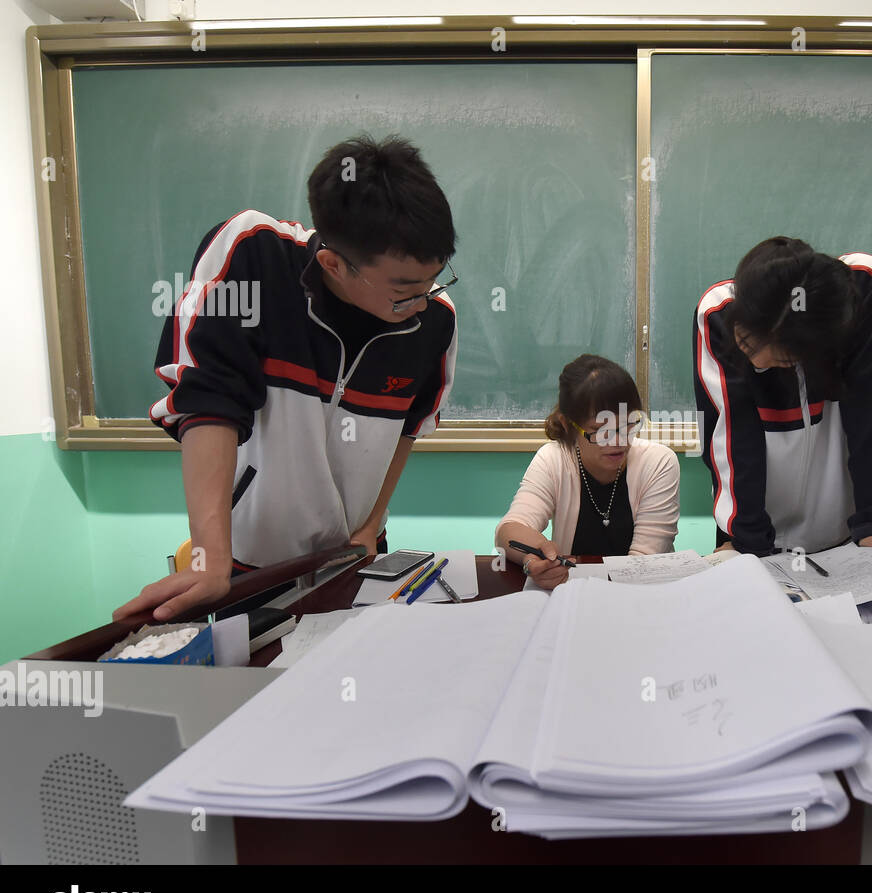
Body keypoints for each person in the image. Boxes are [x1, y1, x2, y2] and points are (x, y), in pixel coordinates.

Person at [115, 134, 458, 622]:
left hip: (354, 552)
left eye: (435, 280)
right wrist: (209, 555)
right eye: (403, 290)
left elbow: (410, 427)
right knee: (260, 681)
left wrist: (371, 523)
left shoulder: (436, 320)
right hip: (249, 558)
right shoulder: (254, 254)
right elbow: (209, 398)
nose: (421, 303)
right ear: (333, 264)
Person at [693, 237, 872, 557]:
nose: (759, 364)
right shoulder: (717, 313)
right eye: (747, 343)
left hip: (848, 531)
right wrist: (750, 541)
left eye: (781, 360)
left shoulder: (865, 288)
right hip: (752, 529)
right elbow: (734, 437)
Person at [496, 354, 679, 590]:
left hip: (639, 596)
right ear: (566, 424)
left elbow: (641, 563)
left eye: (629, 425)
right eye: (601, 431)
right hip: (572, 597)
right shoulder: (554, 458)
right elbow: (509, 530)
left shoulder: (658, 463)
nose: (620, 441)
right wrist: (534, 558)